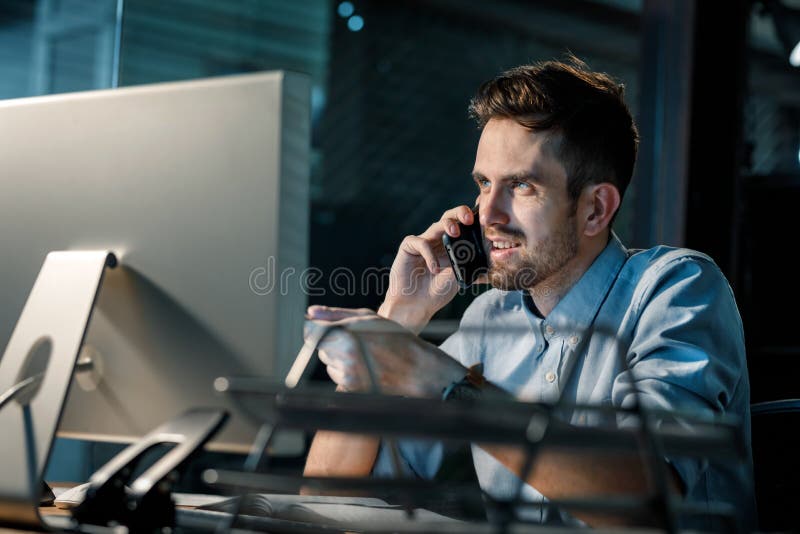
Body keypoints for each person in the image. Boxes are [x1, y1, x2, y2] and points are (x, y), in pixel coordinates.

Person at [302, 56, 756, 530]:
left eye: (520, 185)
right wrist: (396, 322)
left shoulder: (677, 290)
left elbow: (648, 508)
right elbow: (327, 498)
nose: (487, 214)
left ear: (595, 209)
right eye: (484, 184)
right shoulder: (489, 318)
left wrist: (452, 387)